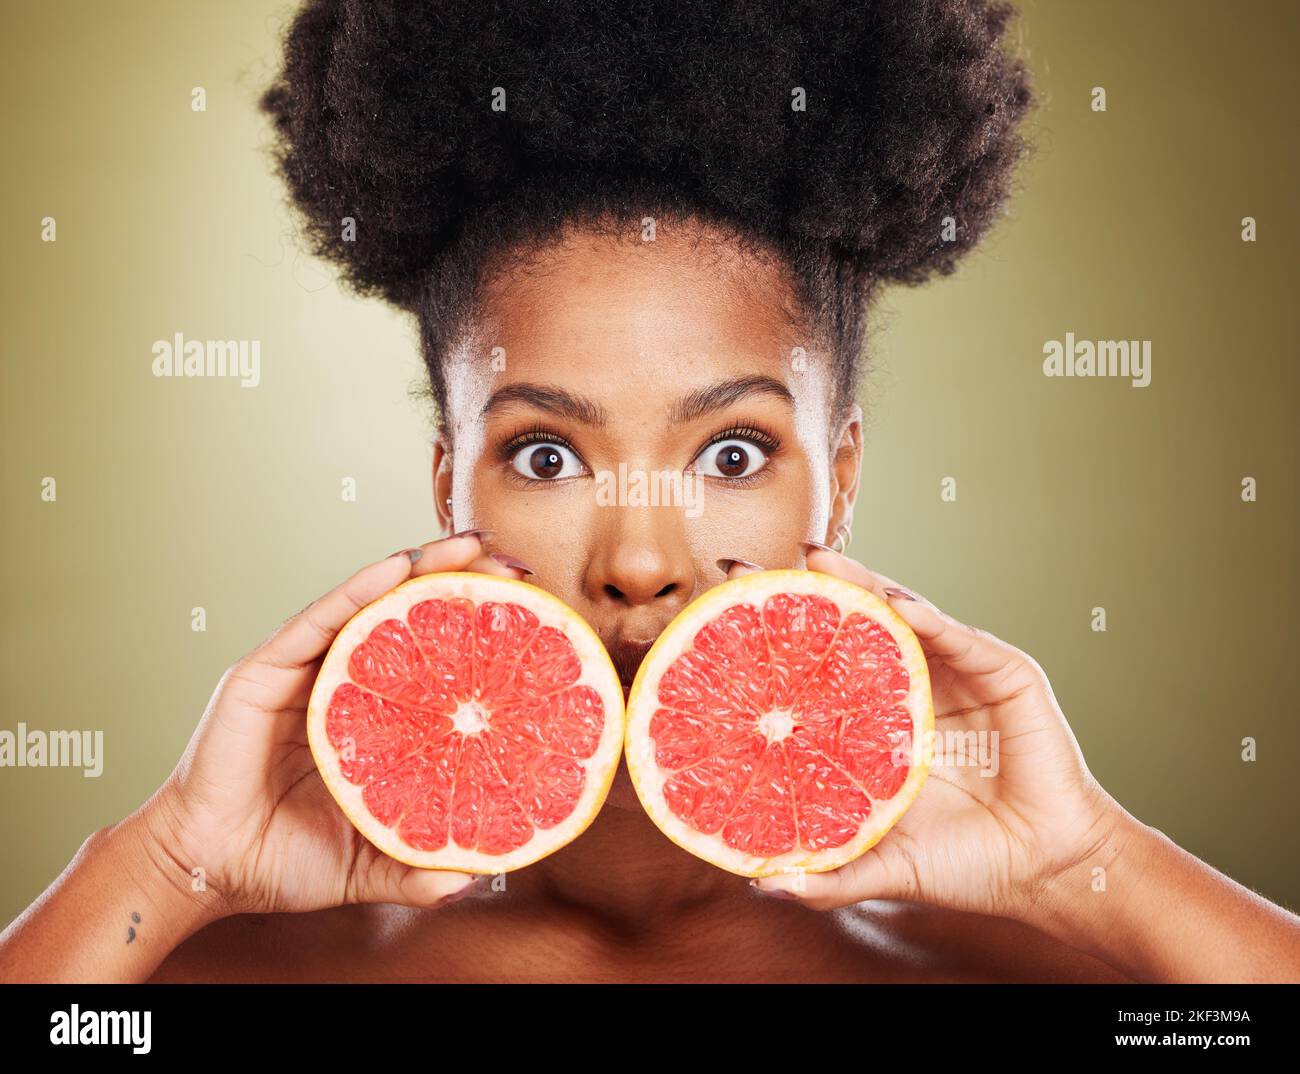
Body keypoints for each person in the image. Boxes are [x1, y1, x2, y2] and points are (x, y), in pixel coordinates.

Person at [3, 0, 1297, 984]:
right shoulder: (235, 958)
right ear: (450, 477)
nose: (638, 561)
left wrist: (1096, 870)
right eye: (547, 453)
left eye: (731, 452)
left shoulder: (1035, 955)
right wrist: (167, 864)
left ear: (835, 479)